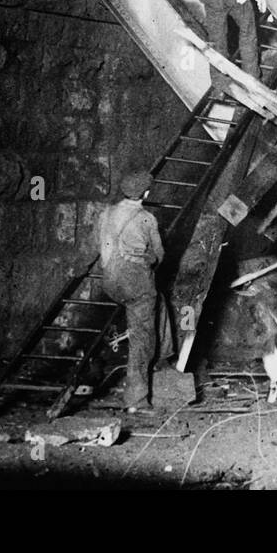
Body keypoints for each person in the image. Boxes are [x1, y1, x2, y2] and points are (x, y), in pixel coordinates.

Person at [98, 170, 169, 411]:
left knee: (155, 303)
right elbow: (159, 255)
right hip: (135, 283)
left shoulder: (107, 213)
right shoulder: (147, 218)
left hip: (109, 281)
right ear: (146, 193)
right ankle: (136, 401)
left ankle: (163, 356)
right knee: (141, 339)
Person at [231, 257, 277, 404]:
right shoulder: (255, 289)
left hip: (266, 312)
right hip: (260, 309)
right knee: (269, 342)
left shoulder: (265, 292)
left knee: (270, 341)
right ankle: (274, 384)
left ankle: (274, 385)